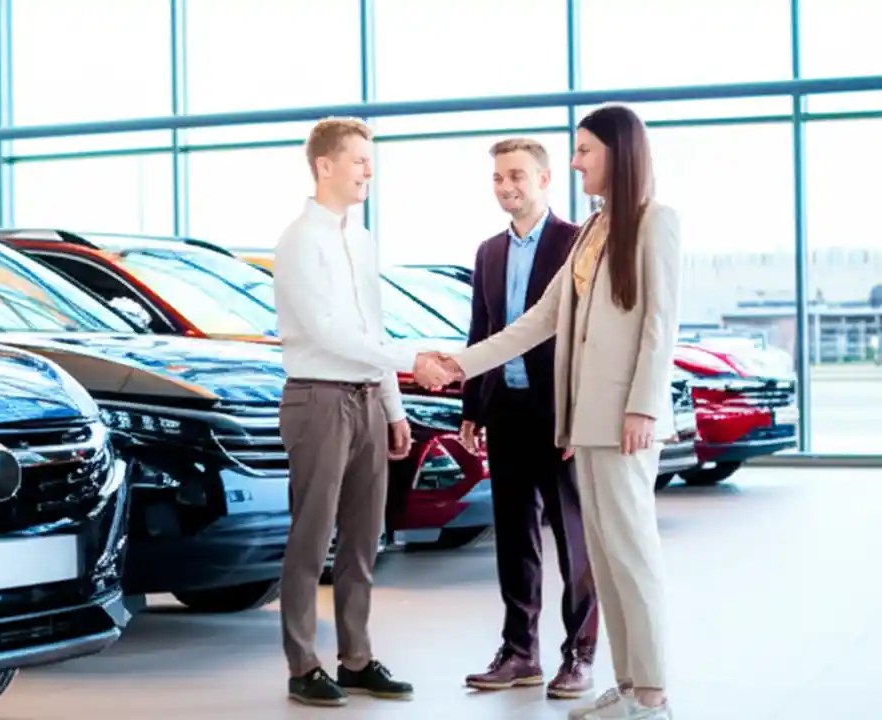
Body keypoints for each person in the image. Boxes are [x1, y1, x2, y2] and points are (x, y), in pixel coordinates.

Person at [445, 104, 681, 720]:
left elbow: (660, 327)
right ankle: (628, 686)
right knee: (605, 556)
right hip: (586, 422)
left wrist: (644, 409)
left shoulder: (657, 222)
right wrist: (459, 365)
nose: (575, 161)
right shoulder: (594, 231)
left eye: (585, 151)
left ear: (619, 154)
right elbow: (541, 320)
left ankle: (652, 694)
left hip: (628, 423)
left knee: (632, 556)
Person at [273, 116, 457, 707]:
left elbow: (370, 329)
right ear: (324, 166)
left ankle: (356, 657)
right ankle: (303, 665)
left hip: (365, 401)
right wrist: (412, 360)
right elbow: (328, 334)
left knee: (362, 538)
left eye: (369, 161)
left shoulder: (361, 238)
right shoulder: (299, 241)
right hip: (319, 398)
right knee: (311, 536)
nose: (368, 171)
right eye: (358, 160)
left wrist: (394, 405)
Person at [460, 138, 600, 699]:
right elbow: (482, 332)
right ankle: (520, 652)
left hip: (559, 413)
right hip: (507, 411)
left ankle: (580, 655)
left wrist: (582, 414)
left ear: (545, 180)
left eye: (516, 175)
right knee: (514, 540)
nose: (505, 186)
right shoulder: (489, 251)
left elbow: (589, 335)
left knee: (573, 539)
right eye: (497, 177)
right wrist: (472, 407)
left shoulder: (576, 243)